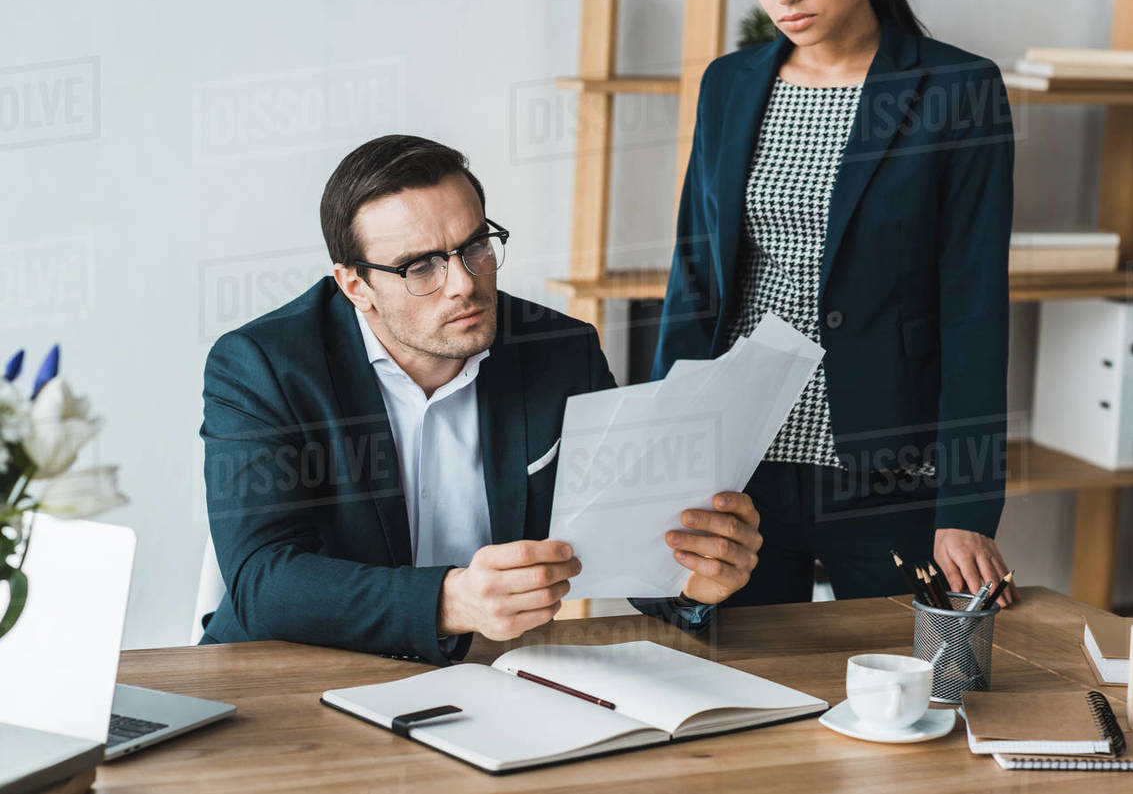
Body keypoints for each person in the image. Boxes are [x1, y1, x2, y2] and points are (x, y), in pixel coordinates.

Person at [199, 135, 761, 664]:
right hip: (287, 670)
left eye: (474, 247)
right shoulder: (262, 365)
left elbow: (624, 539)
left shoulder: (561, 349)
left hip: (487, 672)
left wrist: (692, 582)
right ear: (355, 287)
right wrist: (452, 602)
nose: (463, 283)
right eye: (420, 267)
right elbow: (262, 580)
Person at [655, 0, 1018, 607]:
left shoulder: (957, 86)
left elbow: (974, 306)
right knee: (742, 680)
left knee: (917, 685)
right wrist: (666, 456)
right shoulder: (729, 82)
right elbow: (693, 280)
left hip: (891, 471)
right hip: (740, 467)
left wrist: (967, 505)